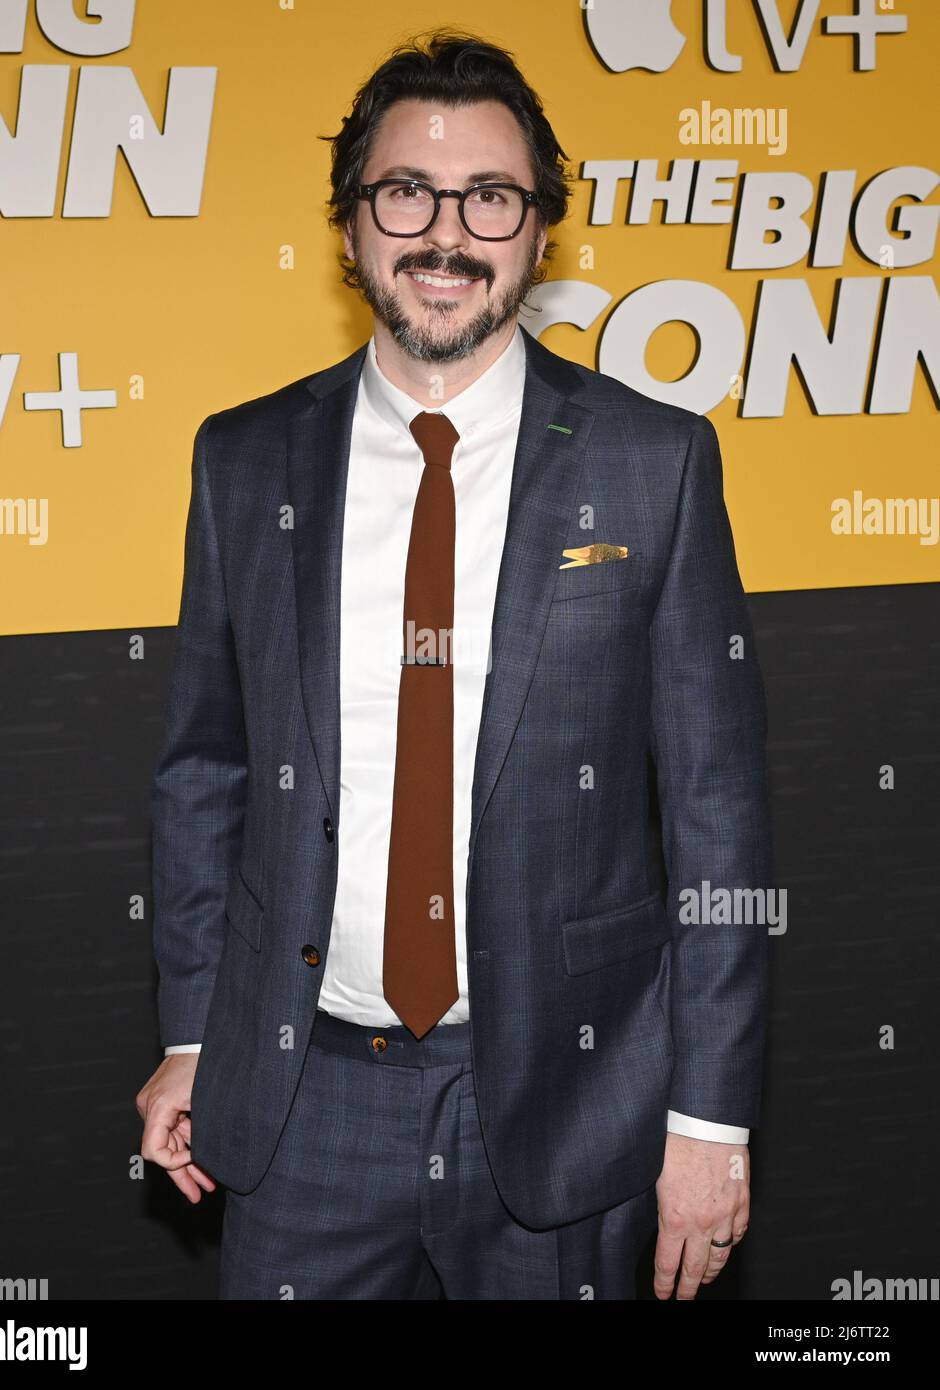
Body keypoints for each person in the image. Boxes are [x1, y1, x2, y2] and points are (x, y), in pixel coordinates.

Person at [136, 28, 773, 1301]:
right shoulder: (245, 459)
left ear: (540, 230)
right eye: (404, 193)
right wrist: (195, 1032)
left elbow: (719, 820)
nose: (445, 234)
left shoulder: (654, 463)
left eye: (490, 196)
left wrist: (708, 1122)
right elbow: (205, 770)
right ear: (352, 224)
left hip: (563, 1099)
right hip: (299, 1097)